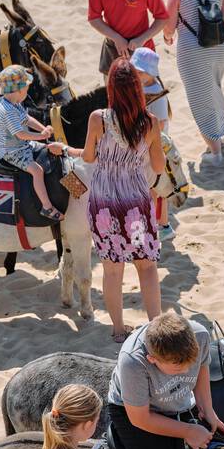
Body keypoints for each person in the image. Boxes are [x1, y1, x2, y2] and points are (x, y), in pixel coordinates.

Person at [49, 58, 165, 338]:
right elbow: (159, 167)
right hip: (135, 201)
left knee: (113, 270)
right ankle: (156, 327)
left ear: (111, 87)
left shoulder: (98, 118)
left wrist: (66, 149)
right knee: (147, 266)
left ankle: (117, 329)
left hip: (105, 204)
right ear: (137, 89)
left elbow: (89, 157)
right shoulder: (150, 122)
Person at [105, 311, 224, 449]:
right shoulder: (133, 361)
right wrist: (188, 431)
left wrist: (208, 410)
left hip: (176, 398)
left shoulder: (200, 334)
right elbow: (141, 419)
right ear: (153, 359)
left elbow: (201, 369)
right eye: (178, 369)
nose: (187, 371)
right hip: (135, 411)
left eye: (189, 364)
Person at [163, 0, 224, 164]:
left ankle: (215, 152)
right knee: (215, 88)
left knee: (199, 97)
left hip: (192, 50)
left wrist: (168, 36)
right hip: (220, 46)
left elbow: (169, 25)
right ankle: (219, 133)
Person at [0, 64, 60, 221]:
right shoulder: (7, 110)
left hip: (22, 145)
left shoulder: (15, 103)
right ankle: (46, 207)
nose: (28, 91)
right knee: (36, 171)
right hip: (12, 151)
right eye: (26, 88)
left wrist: (43, 129)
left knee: (49, 149)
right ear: (18, 91)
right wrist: (41, 136)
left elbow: (27, 119)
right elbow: (21, 134)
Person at [130, 47, 173, 240]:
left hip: (155, 146)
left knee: (159, 187)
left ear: (150, 73)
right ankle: (151, 223)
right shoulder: (140, 86)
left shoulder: (156, 91)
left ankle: (164, 226)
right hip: (143, 145)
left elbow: (161, 124)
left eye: (140, 71)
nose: (136, 74)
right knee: (147, 188)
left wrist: (150, 144)